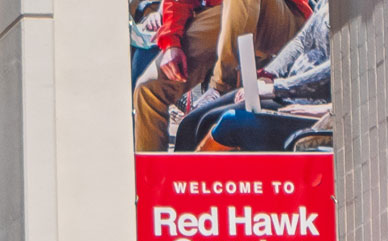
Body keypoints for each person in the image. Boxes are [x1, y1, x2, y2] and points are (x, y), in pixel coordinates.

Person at [132, 0, 311, 152]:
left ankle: (222, 88)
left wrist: (221, 84)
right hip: (225, 14)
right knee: (149, 89)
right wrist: (172, 43)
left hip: (281, 17)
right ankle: (154, 185)